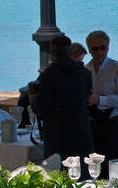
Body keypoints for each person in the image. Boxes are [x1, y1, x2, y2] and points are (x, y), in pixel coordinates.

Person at [32, 34, 94, 168]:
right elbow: (88, 98)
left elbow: (40, 107)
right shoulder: (83, 72)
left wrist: (33, 98)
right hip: (82, 131)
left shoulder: (49, 74)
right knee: (83, 175)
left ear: (52, 52)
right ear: (69, 51)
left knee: (57, 176)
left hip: (58, 135)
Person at [84, 30, 118, 178]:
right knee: (94, 167)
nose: (99, 52)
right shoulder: (85, 70)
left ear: (108, 48)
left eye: (102, 48)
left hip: (113, 124)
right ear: (89, 50)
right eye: (95, 49)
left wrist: (100, 100)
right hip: (93, 124)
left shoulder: (117, 68)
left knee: (116, 168)